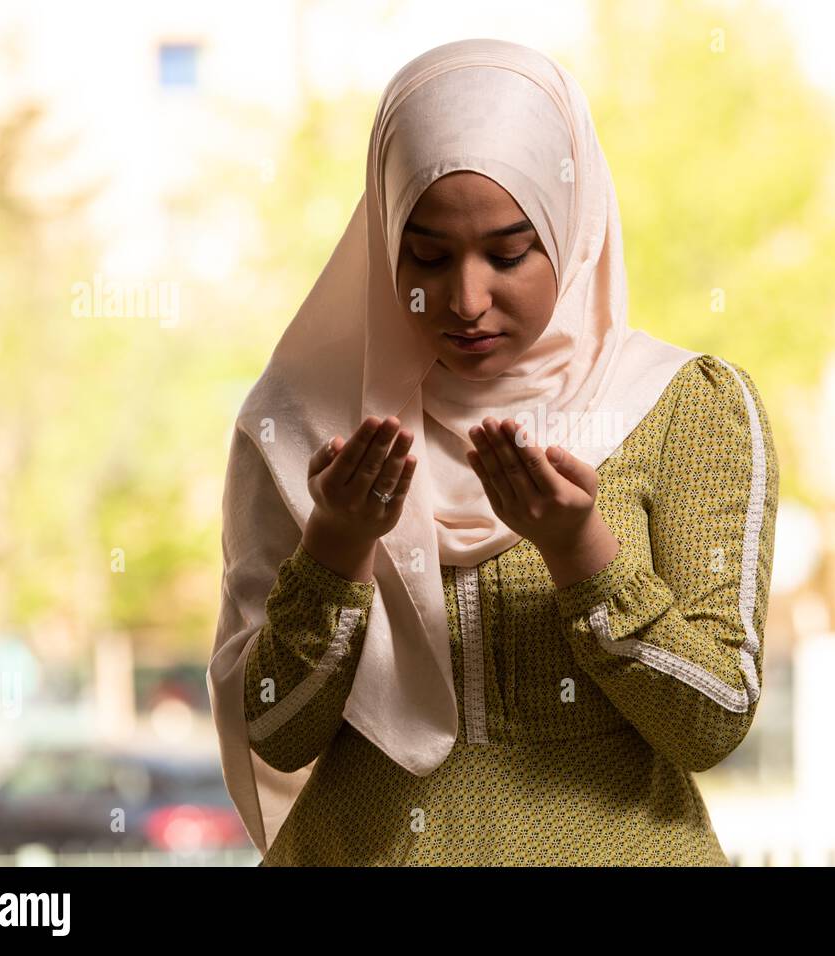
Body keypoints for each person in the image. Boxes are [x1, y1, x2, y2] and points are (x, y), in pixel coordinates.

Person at [207, 36, 779, 866]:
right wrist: (336, 547)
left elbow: (712, 721)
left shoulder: (682, 406)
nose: (465, 300)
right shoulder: (304, 422)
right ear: (383, 236)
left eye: (509, 253)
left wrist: (580, 551)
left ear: (572, 231)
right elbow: (277, 731)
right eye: (427, 257)